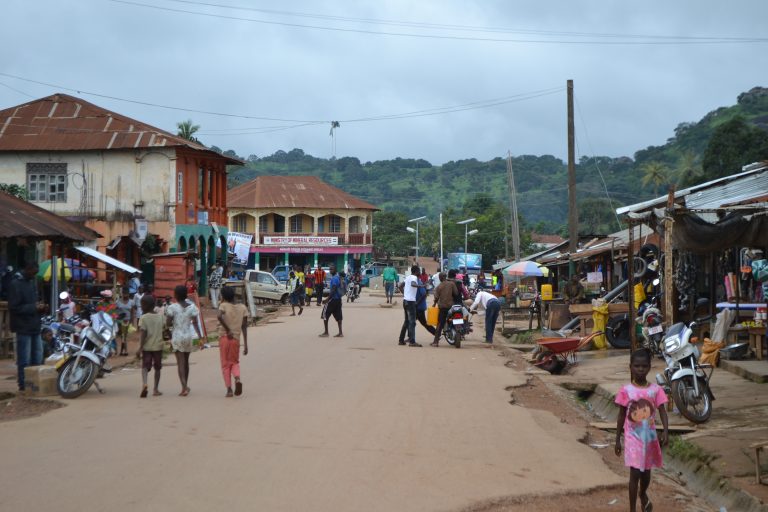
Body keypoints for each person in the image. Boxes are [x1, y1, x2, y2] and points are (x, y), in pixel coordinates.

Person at [615, 349, 669, 512]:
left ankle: (643, 493)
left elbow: (662, 411)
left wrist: (666, 431)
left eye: (644, 366)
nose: (640, 369)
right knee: (635, 473)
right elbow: (621, 415)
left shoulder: (655, 390)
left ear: (649, 367)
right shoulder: (626, 390)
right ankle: (633, 509)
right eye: (637, 366)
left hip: (649, 438)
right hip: (632, 437)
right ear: (630, 367)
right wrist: (617, 439)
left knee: (646, 472)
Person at [8, 261, 46, 391]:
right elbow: (14, 307)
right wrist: (33, 307)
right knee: (25, 359)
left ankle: (35, 384)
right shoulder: (15, 284)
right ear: (28, 269)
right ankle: (23, 385)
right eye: (33, 273)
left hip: (35, 325)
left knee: (38, 357)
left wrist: (40, 307)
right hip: (23, 327)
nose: (34, 276)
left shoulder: (32, 282)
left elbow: (34, 303)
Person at [165, 285, 203, 396]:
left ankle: (184, 387)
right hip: (188, 336)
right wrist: (200, 337)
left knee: (180, 362)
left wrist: (170, 326)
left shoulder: (172, 308)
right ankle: (185, 385)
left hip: (177, 336)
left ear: (175, 295)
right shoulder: (192, 307)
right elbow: (195, 323)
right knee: (186, 362)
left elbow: (168, 323)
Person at [217, 286, 249, 397]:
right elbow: (244, 327)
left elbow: (219, 316)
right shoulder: (243, 308)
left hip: (224, 338)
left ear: (223, 296)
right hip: (236, 339)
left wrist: (227, 330)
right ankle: (237, 378)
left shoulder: (223, 305)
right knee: (234, 362)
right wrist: (245, 344)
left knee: (225, 365)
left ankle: (229, 390)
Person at [137, 294, 164, 398]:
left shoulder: (143, 318)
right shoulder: (160, 317)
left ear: (145, 306)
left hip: (147, 347)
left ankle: (144, 383)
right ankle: (156, 389)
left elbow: (143, 334)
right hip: (158, 346)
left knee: (145, 366)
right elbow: (164, 329)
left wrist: (140, 347)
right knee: (157, 368)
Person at [399, 279, 435, 344]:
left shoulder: (418, 282)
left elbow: (424, 294)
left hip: (419, 307)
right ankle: (409, 338)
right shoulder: (413, 281)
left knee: (415, 323)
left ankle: (436, 334)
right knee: (410, 323)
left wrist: (417, 303)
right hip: (414, 306)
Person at [399, 265, 425, 347]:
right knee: (412, 322)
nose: (420, 273)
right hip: (410, 302)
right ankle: (412, 342)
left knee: (407, 321)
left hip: (405, 301)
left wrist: (405, 294)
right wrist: (421, 286)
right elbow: (413, 284)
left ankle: (401, 340)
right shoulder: (414, 277)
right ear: (416, 271)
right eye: (419, 271)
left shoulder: (408, 277)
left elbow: (400, 286)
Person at [430, 271, 457, 347]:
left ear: (441, 278)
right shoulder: (452, 284)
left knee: (439, 324)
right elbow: (456, 293)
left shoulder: (439, 287)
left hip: (442, 307)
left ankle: (435, 342)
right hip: (451, 307)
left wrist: (434, 303)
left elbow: (436, 298)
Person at [319, 265, 343, 338]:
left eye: (332, 269)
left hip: (333, 300)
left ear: (335, 270)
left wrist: (327, 299)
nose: (330, 270)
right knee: (339, 316)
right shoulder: (338, 277)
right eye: (330, 269)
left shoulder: (335, 278)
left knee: (325, 314)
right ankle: (340, 333)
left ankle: (326, 332)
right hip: (338, 300)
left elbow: (333, 290)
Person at [115, 287, 134, 356]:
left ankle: (123, 351)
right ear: (122, 294)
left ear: (128, 294)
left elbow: (132, 312)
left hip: (127, 321)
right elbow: (115, 311)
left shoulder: (131, 302)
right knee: (122, 336)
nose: (125, 295)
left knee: (124, 336)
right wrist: (117, 317)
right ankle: (124, 351)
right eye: (124, 294)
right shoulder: (118, 302)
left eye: (126, 294)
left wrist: (132, 321)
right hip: (120, 321)